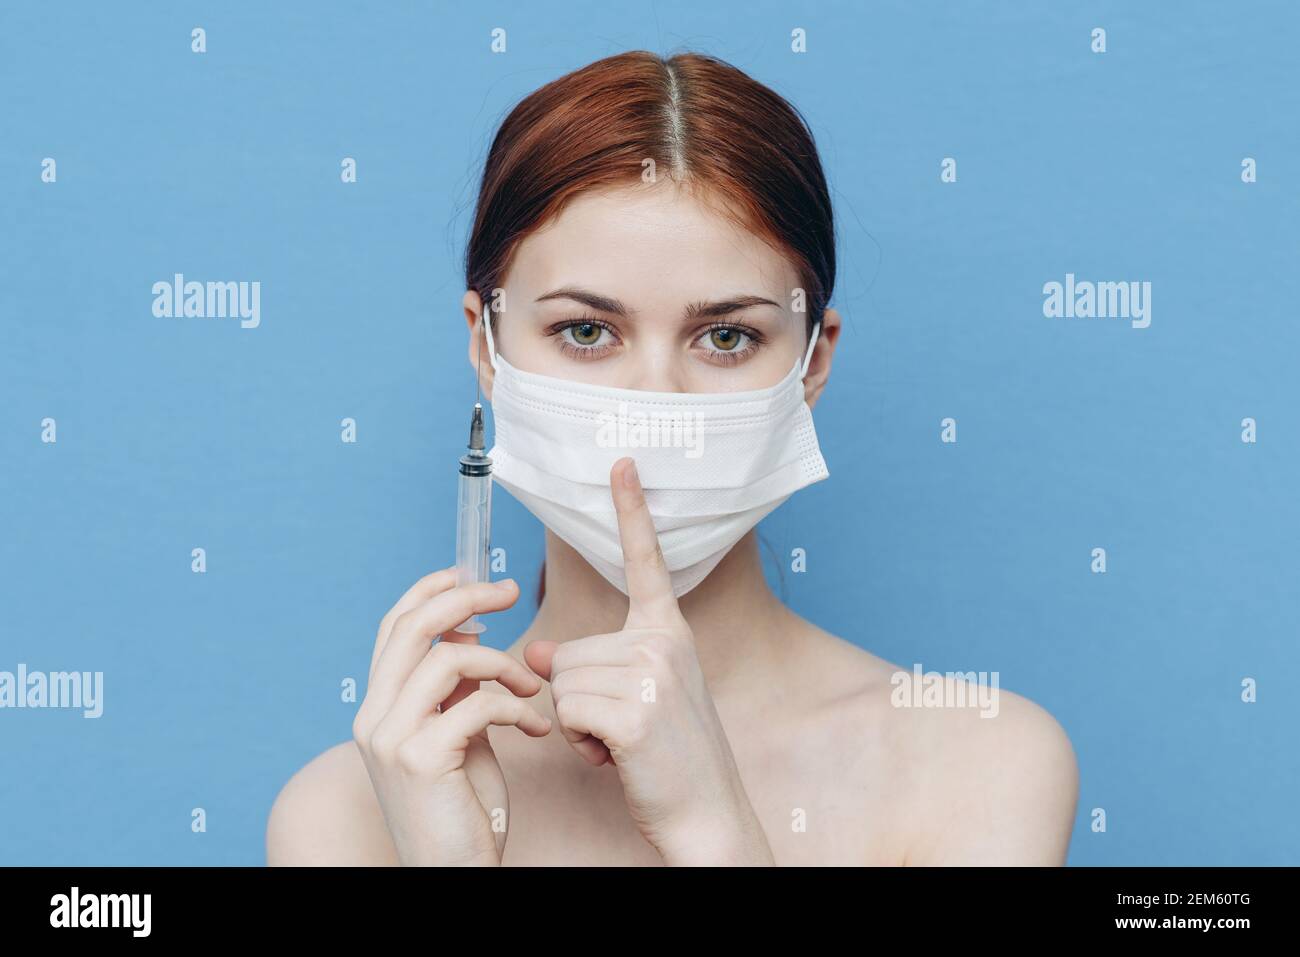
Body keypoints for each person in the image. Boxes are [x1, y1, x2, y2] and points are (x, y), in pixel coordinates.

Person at [267, 51, 1078, 866]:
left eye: (726, 337)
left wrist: (713, 827)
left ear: (813, 364)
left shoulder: (981, 764)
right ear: (485, 344)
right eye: (586, 331)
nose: (654, 407)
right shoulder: (347, 815)